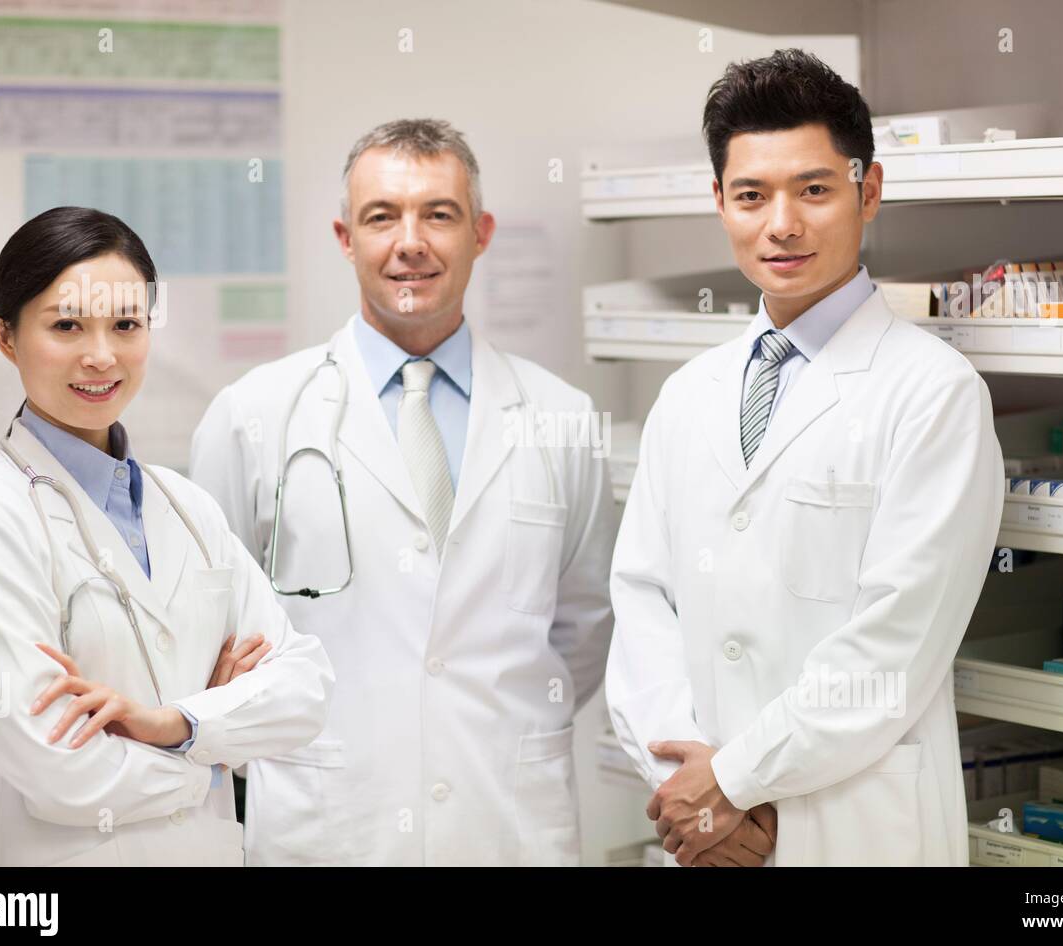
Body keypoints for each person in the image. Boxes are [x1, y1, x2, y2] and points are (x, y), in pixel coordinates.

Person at [605, 50, 1004, 867]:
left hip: (851, 826)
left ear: (870, 190)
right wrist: (685, 790)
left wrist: (738, 782)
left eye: (814, 189)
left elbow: (895, 645)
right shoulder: (688, 395)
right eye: (751, 195)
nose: (780, 223)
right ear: (719, 202)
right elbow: (642, 605)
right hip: (702, 832)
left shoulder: (934, 394)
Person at [189, 119, 614, 865]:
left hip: (504, 818)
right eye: (382, 216)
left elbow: (582, 625)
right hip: (329, 819)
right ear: (345, 236)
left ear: (481, 233)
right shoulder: (254, 415)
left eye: (438, 214)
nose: (409, 242)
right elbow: (210, 630)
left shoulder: (561, 419)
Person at [0, 206, 334, 867]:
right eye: (66, 326)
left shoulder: (191, 510)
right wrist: (215, 751)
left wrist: (171, 723)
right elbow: (58, 768)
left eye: (126, 324)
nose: (101, 355)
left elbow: (305, 689)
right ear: (6, 335)